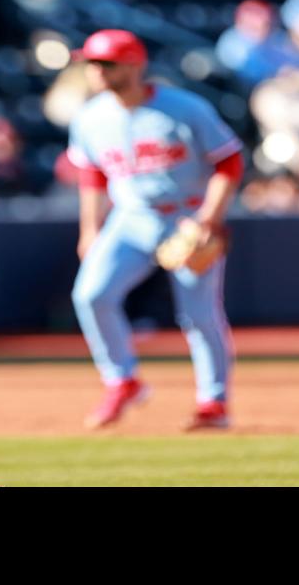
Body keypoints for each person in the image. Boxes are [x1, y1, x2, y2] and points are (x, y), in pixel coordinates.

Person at [64, 30, 244, 431]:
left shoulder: (183, 109)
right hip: (130, 218)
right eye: (91, 63)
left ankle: (213, 404)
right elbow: (91, 174)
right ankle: (122, 379)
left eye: (105, 63)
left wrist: (209, 218)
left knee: (198, 316)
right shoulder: (90, 117)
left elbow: (229, 162)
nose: (95, 70)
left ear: (134, 65)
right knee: (91, 294)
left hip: (187, 217)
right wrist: (90, 229)